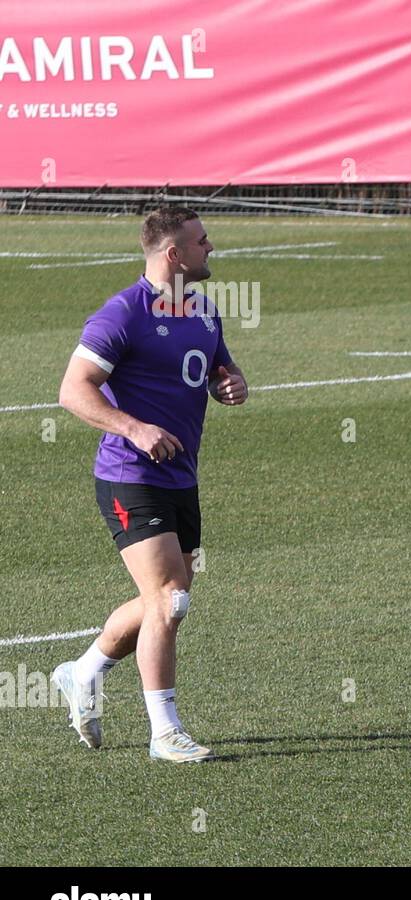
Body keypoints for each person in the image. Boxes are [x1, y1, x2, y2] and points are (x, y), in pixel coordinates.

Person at [53, 206, 247, 763]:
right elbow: (73, 390)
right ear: (174, 255)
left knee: (166, 598)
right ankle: (164, 732)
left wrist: (229, 384)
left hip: (181, 477)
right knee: (170, 598)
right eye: (202, 242)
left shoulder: (205, 312)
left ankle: (83, 671)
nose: (211, 249)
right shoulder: (122, 314)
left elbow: (216, 373)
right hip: (128, 474)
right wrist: (134, 428)